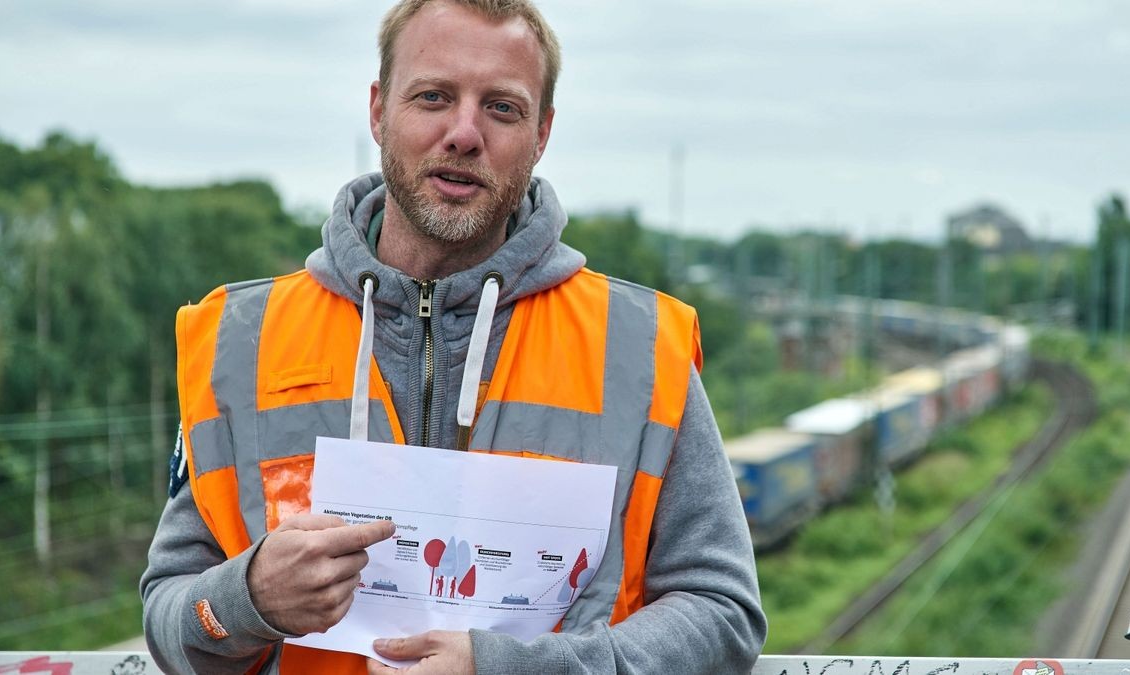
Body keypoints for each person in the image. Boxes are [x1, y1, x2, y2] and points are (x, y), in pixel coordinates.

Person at [139, 0, 767, 672]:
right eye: (434, 96)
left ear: (542, 132)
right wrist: (245, 597)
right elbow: (170, 617)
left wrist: (507, 668)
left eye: (502, 107)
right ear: (379, 111)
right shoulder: (239, 342)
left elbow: (721, 612)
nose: (465, 133)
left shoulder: (642, 350)